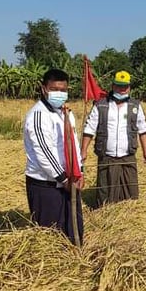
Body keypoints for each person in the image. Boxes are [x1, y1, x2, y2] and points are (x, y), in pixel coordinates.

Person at [23, 68, 84, 244]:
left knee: (73, 232)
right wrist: (63, 178)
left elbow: (74, 144)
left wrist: (79, 172)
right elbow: (44, 151)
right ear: (44, 89)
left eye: (63, 90)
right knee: (50, 239)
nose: (59, 93)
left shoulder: (66, 113)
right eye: (54, 89)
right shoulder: (38, 115)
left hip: (69, 181)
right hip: (47, 184)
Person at [81, 70, 146, 207]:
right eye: (119, 86)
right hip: (106, 156)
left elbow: (142, 130)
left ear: (129, 87)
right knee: (105, 191)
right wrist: (83, 150)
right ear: (113, 86)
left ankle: (127, 214)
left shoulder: (135, 106)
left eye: (125, 86)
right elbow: (89, 129)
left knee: (130, 191)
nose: (122, 90)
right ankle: (104, 212)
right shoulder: (101, 105)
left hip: (128, 156)